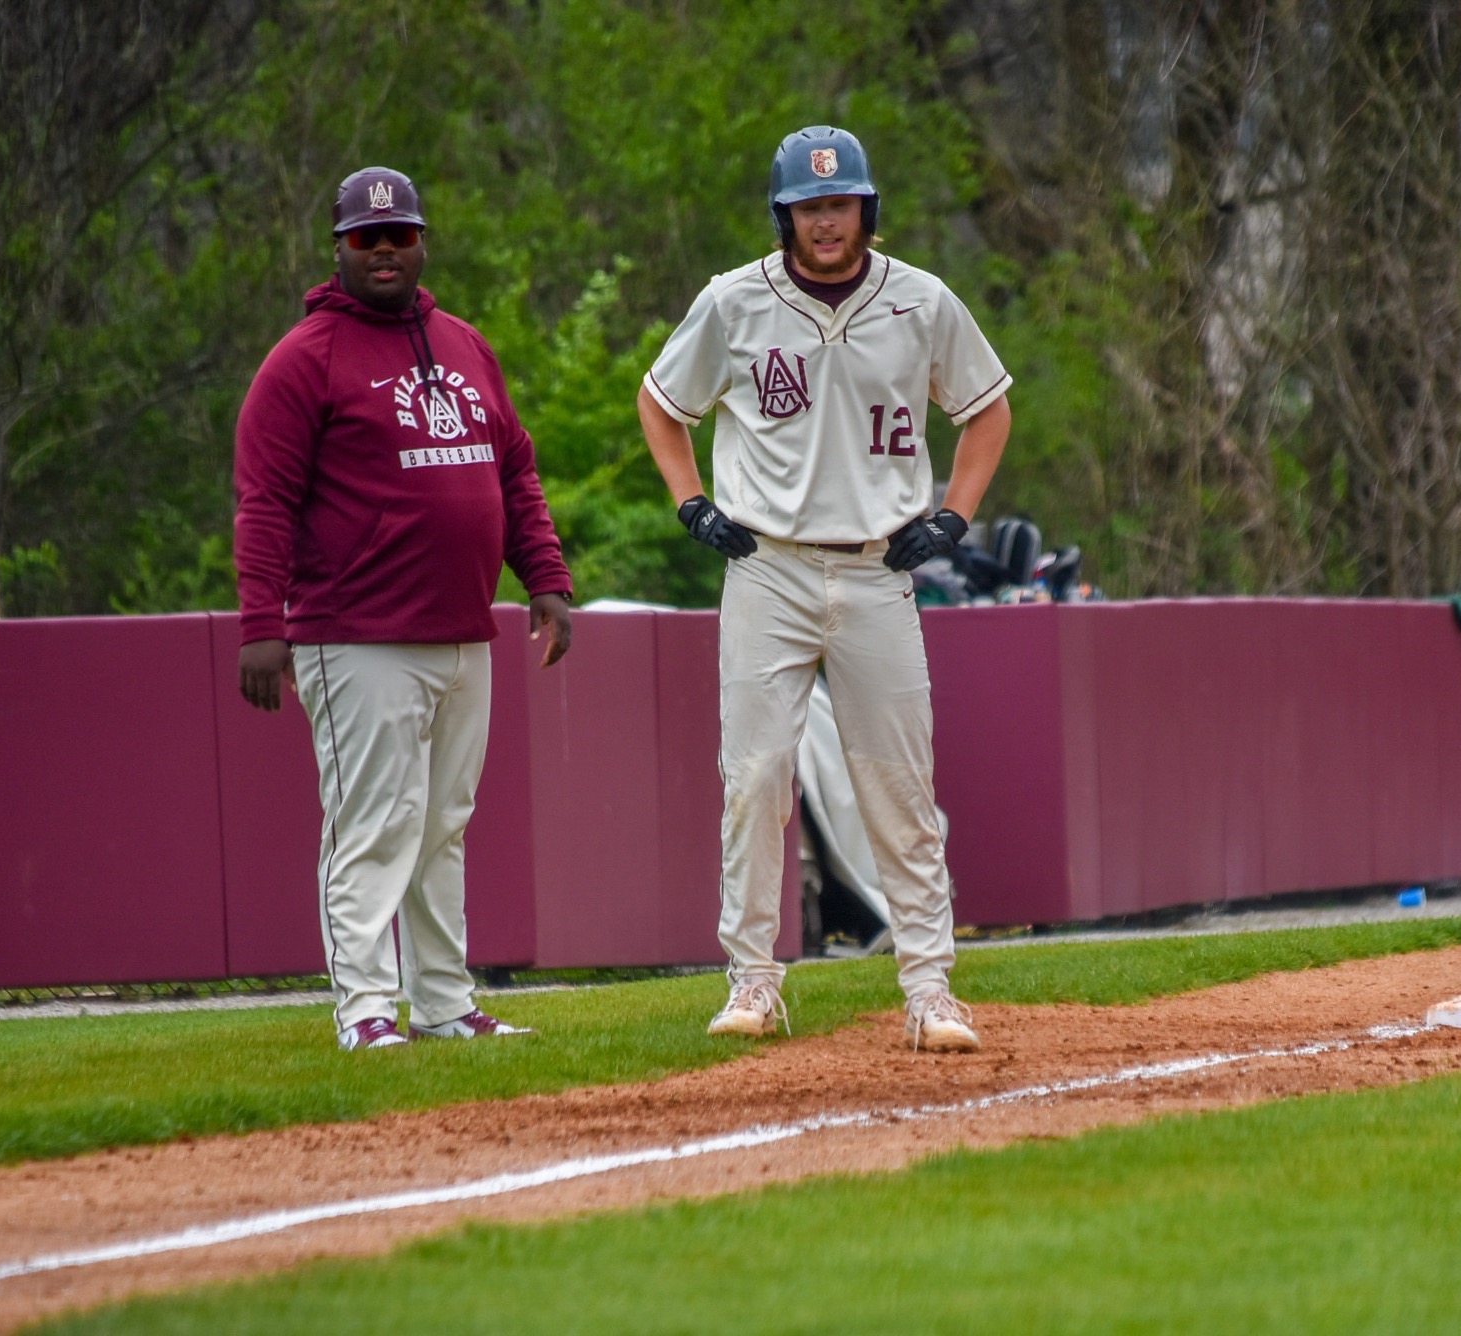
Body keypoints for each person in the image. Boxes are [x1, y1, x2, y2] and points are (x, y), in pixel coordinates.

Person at [636, 126, 1013, 1053]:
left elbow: (987, 411)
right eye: (809, 207)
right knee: (755, 778)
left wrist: (954, 518)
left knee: (898, 783)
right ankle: (754, 980)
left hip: (879, 565)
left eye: (839, 203)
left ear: (866, 208)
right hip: (767, 565)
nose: (826, 221)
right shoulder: (734, 302)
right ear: (784, 216)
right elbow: (660, 402)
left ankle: (930, 990)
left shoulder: (920, 300)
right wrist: (691, 504)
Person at [234, 166, 575, 1051]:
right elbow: (264, 502)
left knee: (440, 830)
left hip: (465, 632)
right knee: (375, 825)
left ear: (423, 244)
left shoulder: (463, 342)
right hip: (356, 637)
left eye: (400, 235)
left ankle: (447, 1004)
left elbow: (514, 469)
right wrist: (262, 628)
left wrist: (544, 575)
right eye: (365, 238)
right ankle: (365, 1012)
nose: (384, 250)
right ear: (339, 249)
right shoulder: (302, 360)